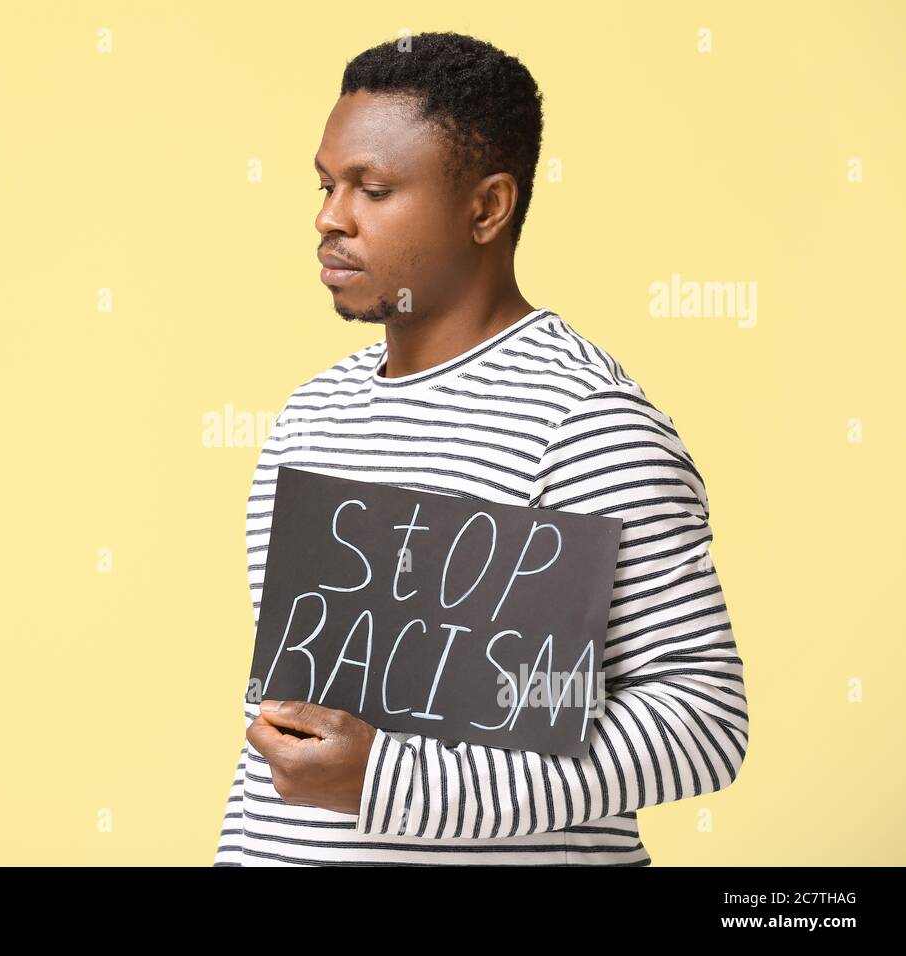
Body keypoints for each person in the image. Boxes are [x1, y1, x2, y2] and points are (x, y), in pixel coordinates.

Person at [213, 32, 748, 866]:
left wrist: (390, 782)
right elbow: (289, 730)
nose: (329, 216)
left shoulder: (582, 419)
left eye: (374, 189)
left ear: (488, 208)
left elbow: (702, 720)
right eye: (326, 184)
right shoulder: (311, 415)